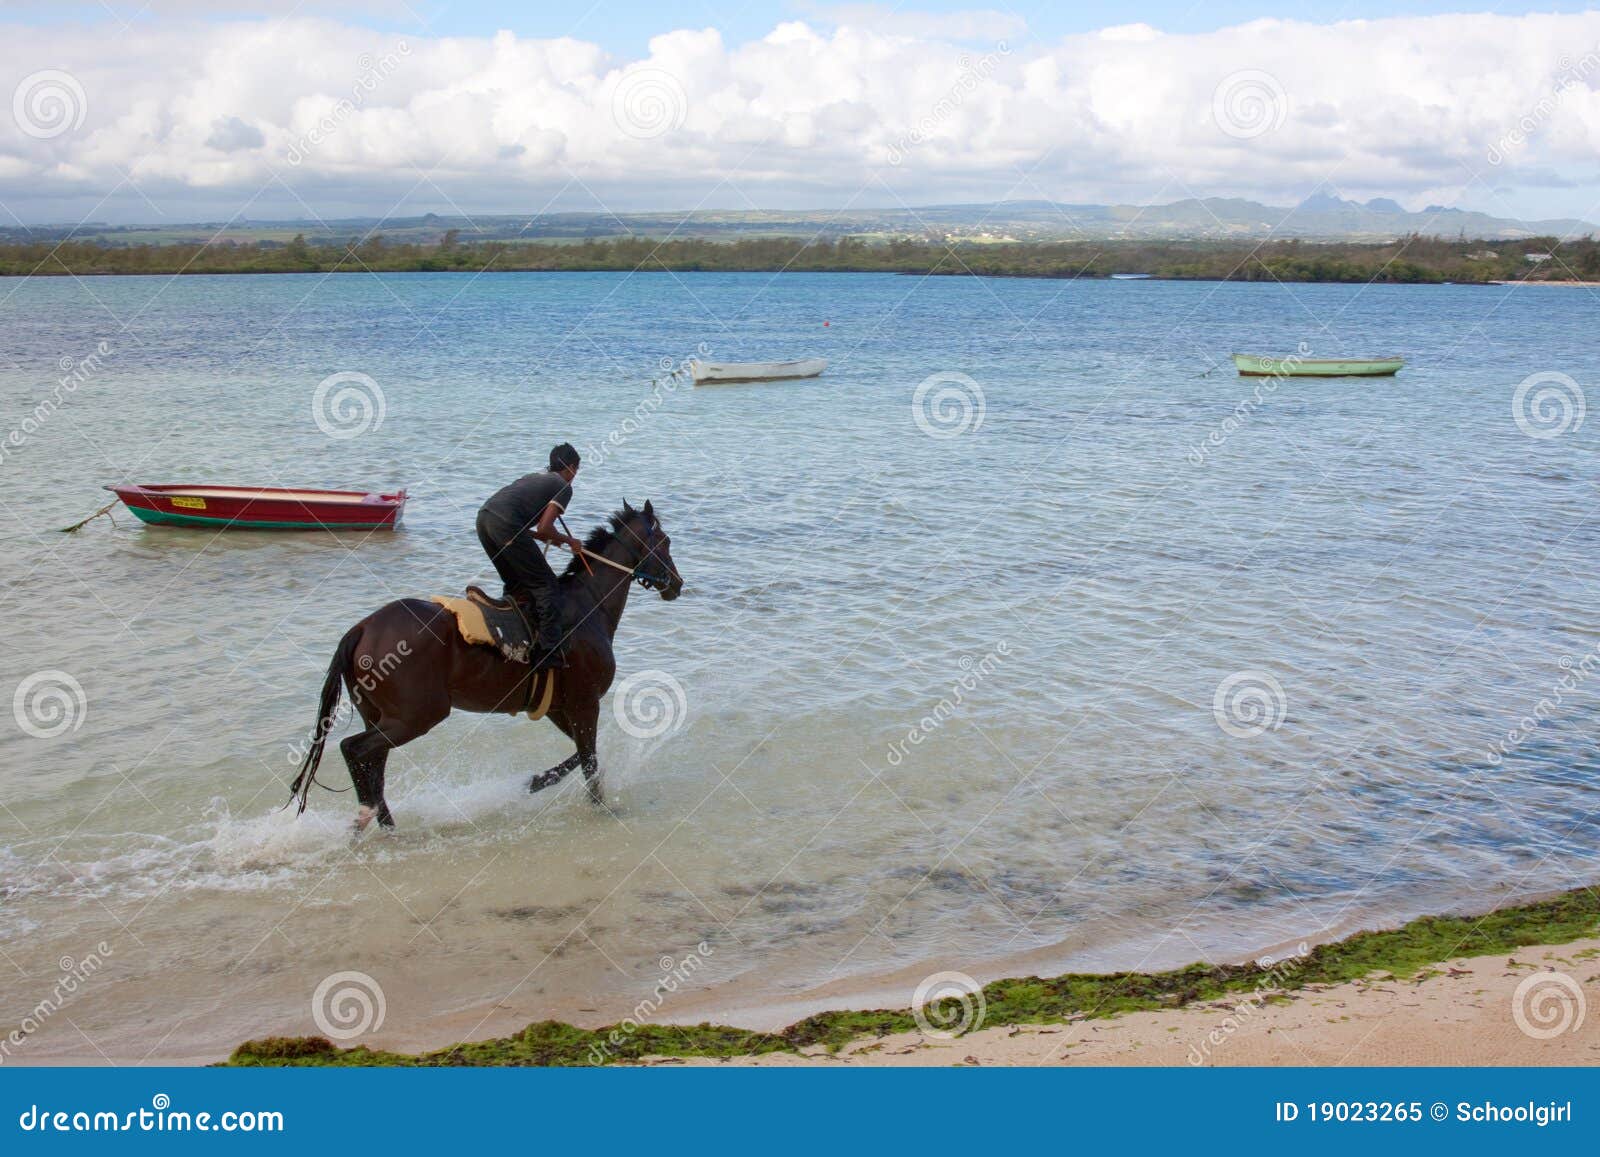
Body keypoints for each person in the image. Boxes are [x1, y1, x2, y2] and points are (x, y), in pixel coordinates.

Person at [476, 444, 585, 667]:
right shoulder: (563, 486)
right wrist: (569, 541)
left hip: (484, 520)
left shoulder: (534, 477)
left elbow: (530, 530)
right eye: (576, 470)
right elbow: (544, 528)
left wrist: (552, 538)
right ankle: (548, 653)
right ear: (572, 467)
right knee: (547, 587)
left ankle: (514, 634)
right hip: (505, 525)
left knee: (516, 584)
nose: (575, 475)